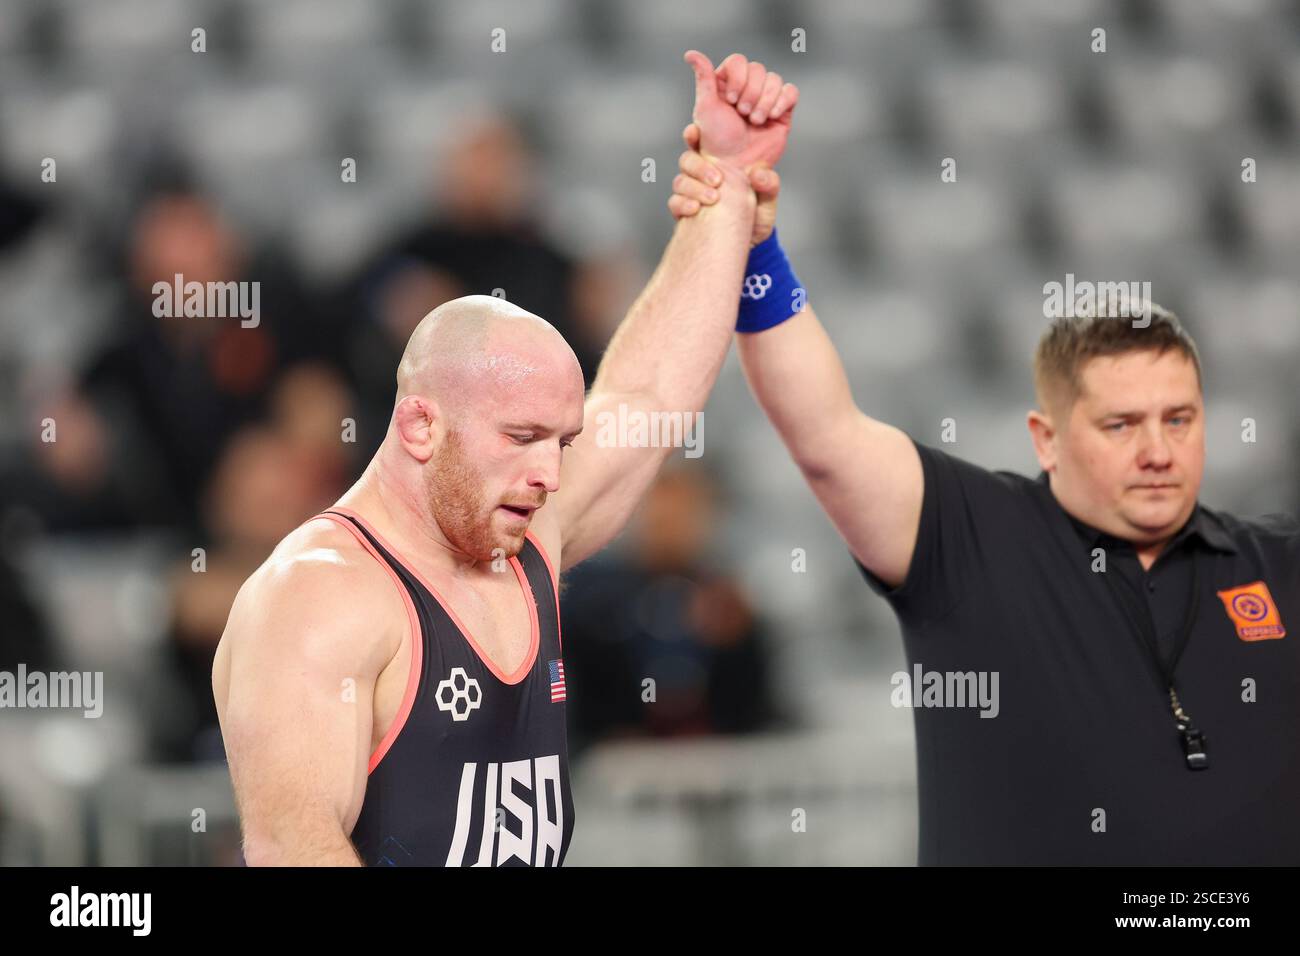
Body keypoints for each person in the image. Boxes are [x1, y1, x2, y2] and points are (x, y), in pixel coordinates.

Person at [670, 100, 1300, 864]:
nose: (1158, 451)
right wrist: (754, 241)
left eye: (1180, 419)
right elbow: (826, 435)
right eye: (1120, 425)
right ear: (1047, 439)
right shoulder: (969, 536)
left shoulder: (1275, 565)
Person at [212, 51, 799, 866]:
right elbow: (291, 849)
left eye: (559, 443)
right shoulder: (318, 597)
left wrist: (727, 192)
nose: (551, 475)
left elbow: (644, 398)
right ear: (421, 427)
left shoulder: (526, 539)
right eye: (522, 439)